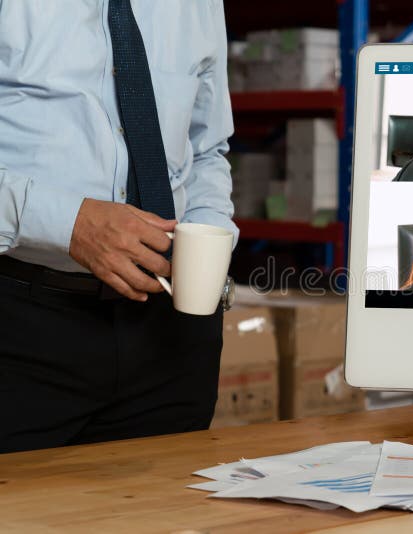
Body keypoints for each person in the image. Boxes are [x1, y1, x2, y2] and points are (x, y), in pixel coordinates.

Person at [0, 2, 237, 453]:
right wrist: (69, 223)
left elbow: (207, 149)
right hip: (20, 328)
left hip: (171, 334)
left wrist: (207, 238)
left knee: (165, 515)